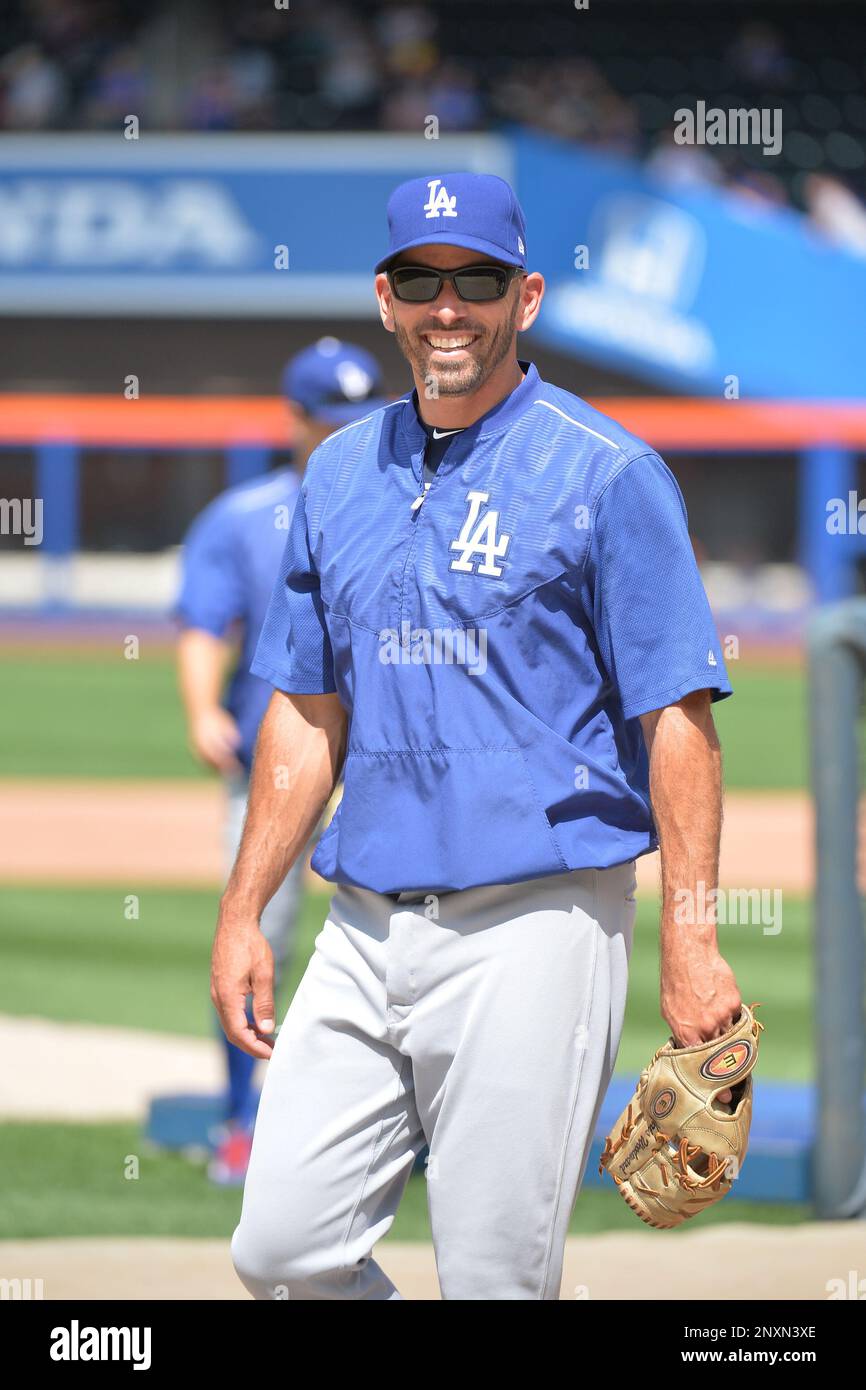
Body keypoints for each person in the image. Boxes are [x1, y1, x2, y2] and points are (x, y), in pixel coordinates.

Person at [212, 172, 742, 1297]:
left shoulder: (608, 472)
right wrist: (243, 908)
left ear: (526, 296)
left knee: (496, 1279)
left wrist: (689, 944)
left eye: (476, 280)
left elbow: (676, 724)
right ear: (386, 298)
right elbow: (308, 712)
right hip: (360, 926)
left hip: (534, 924)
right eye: (421, 279)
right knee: (281, 1249)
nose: (447, 305)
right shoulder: (336, 471)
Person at [176, 337, 388, 1184]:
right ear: (295, 420)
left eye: (356, 420)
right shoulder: (244, 517)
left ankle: (393, 1126)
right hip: (277, 759)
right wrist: (200, 711)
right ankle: (240, 1119)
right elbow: (203, 622)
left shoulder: (408, 506)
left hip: (386, 763)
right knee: (258, 932)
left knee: (402, 936)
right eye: (328, 421)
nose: (342, 434)